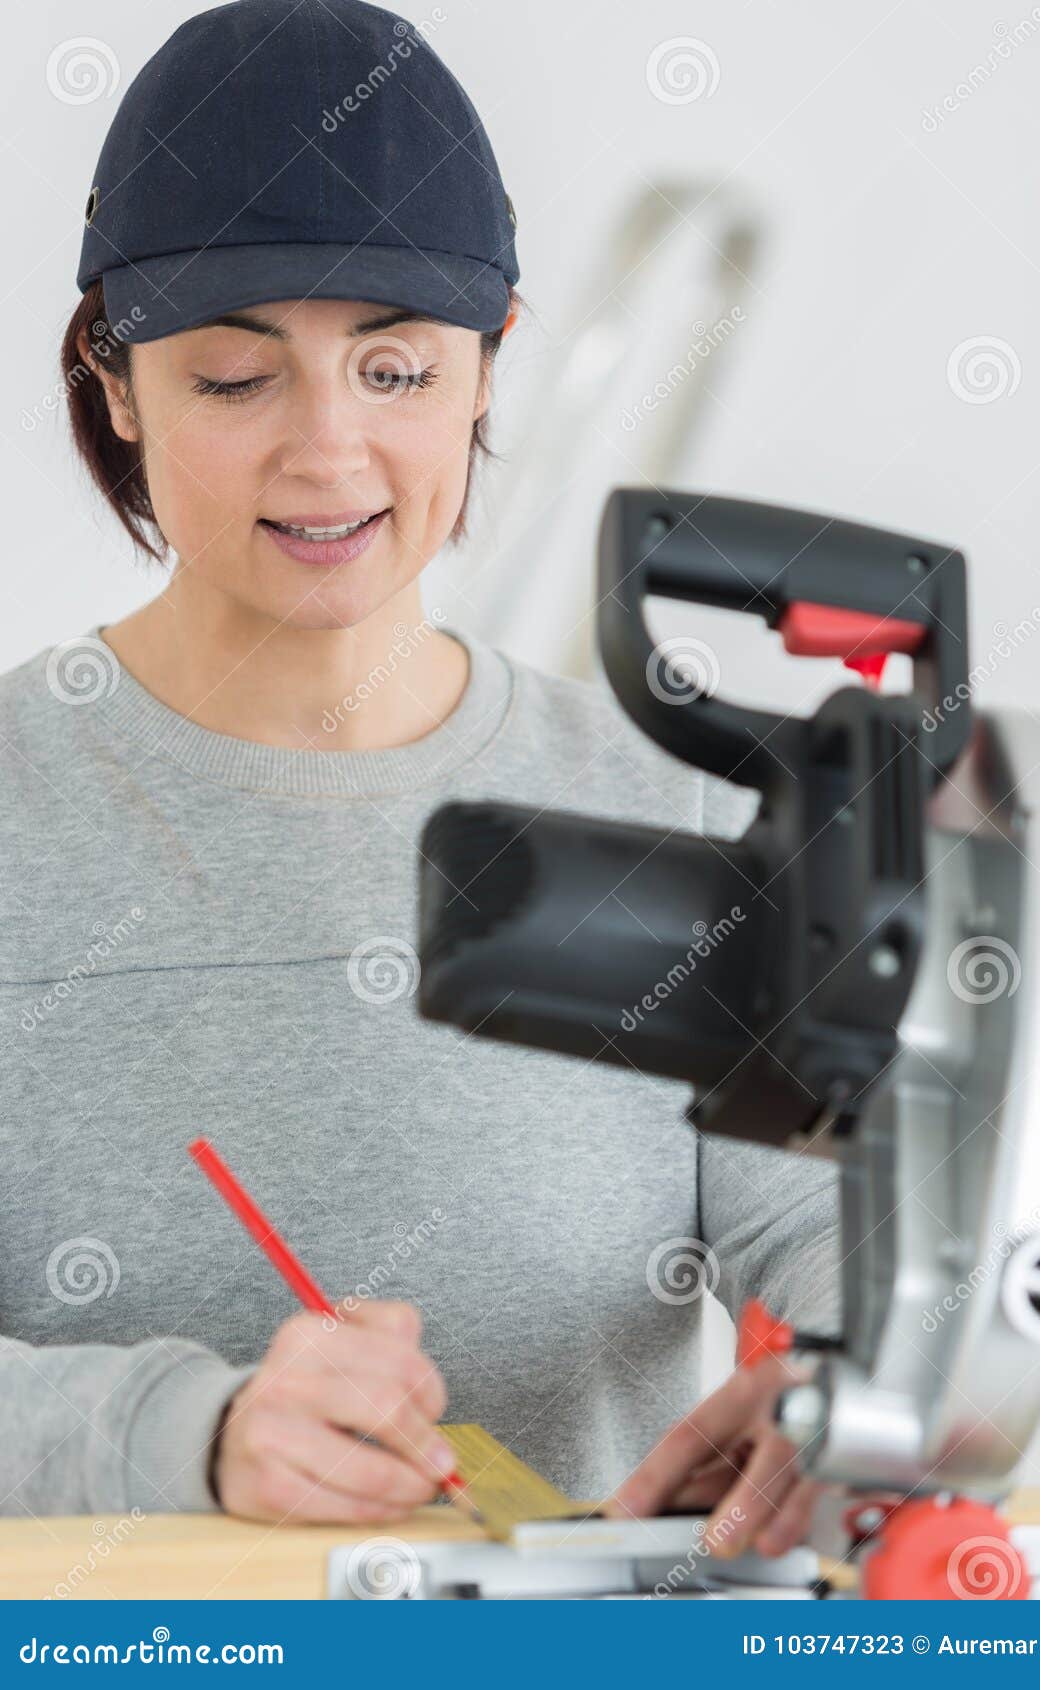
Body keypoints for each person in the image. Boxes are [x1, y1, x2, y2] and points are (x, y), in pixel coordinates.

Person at [0, 0, 839, 1559]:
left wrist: (849, 1391)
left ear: (489, 368)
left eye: (393, 370)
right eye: (234, 382)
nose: (329, 455)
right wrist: (193, 1430)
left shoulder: (681, 804)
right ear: (116, 386)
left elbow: (827, 1224)